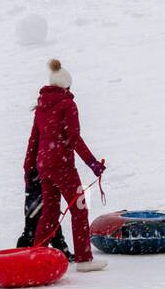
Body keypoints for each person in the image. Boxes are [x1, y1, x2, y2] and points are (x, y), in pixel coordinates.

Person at [25, 59, 107, 271]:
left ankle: (36, 256)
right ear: (67, 86)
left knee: (50, 213)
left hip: (44, 165)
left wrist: (29, 169)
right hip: (62, 165)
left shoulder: (41, 106)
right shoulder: (67, 104)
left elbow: (33, 141)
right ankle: (84, 259)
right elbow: (74, 138)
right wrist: (93, 165)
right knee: (79, 208)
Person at [16, 166, 72, 260]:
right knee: (33, 220)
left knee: (50, 218)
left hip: (43, 174)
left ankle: (61, 249)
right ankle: (20, 255)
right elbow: (29, 159)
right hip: (38, 177)